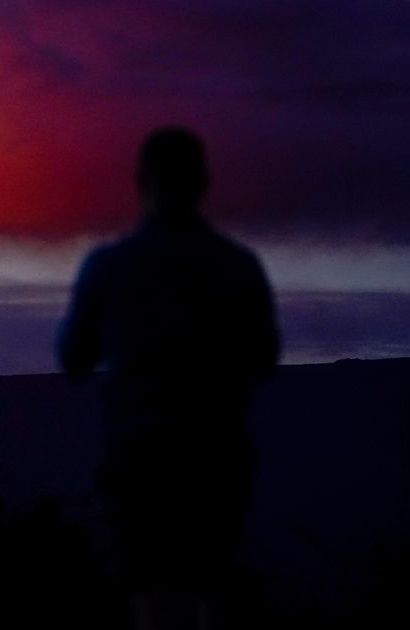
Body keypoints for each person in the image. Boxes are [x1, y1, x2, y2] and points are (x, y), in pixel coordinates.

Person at [57, 127, 279, 630]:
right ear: (203, 182)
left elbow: (73, 359)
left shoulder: (109, 266)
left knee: (152, 594)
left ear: (140, 182)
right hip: (217, 453)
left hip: (140, 454)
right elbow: (265, 360)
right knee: (212, 587)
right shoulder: (237, 266)